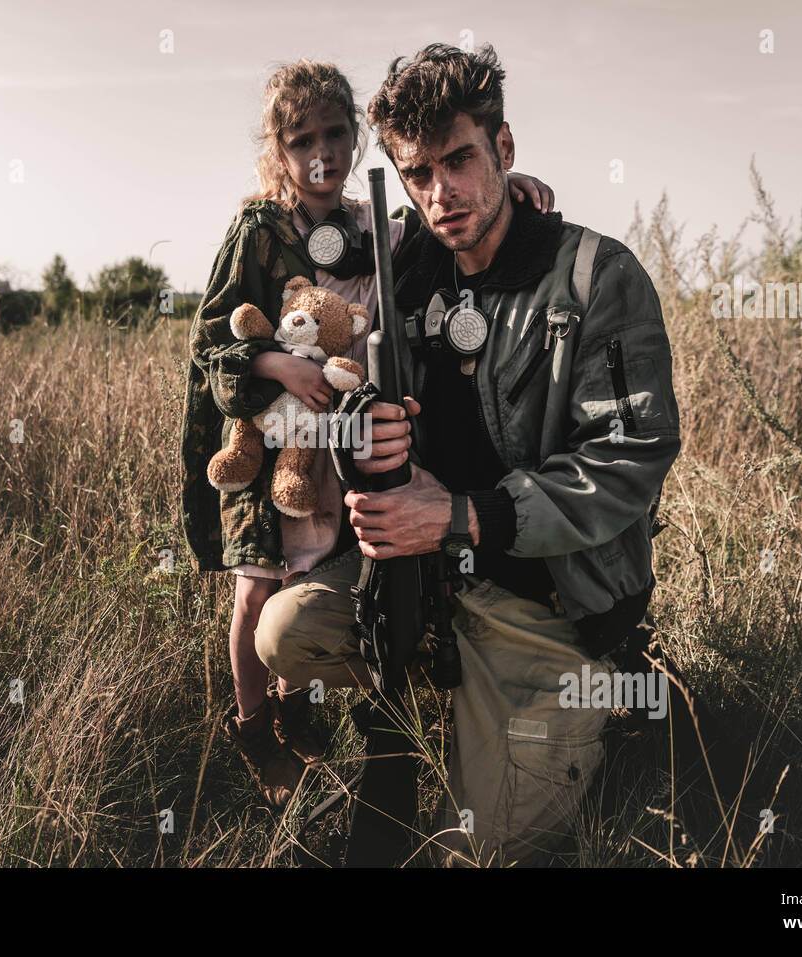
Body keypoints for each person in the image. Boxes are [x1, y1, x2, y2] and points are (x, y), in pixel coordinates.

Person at [253, 42, 681, 862]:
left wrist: (462, 515)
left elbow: (629, 456)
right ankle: (427, 696)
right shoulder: (408, 268)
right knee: (285, 632)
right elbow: (344, 380)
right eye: (418, 174)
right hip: (425, 577)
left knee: (478, 849)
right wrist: (360, 438)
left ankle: (626, 694)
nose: (441, 193)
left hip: (545, 601)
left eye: (460, 160)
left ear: (506, 151)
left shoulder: (596, 277)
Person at [178, 58, 555, 810]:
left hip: (338, 456)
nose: (320, 154)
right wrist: (280, 366)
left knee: (311, 582)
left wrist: (511, 187)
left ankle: (300, 716)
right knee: (256, 592)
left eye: (334, 134)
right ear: (277, 151)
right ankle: (256, 731)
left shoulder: (368, 224)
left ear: (354, 139)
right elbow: (210, 340)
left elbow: (448, 218)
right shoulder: (259, 230)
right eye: (300, 140)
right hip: (267, 451)